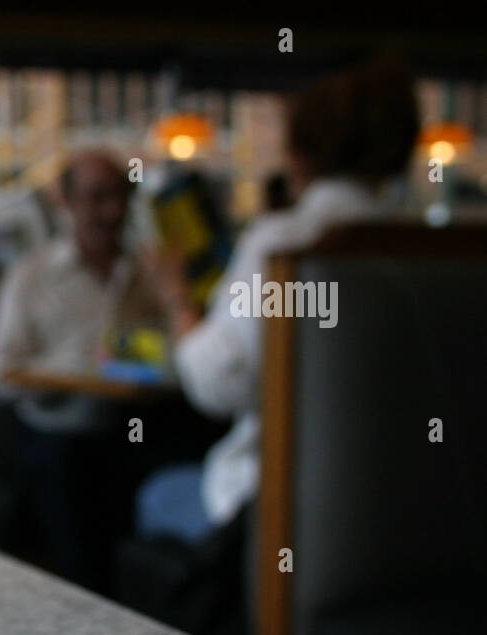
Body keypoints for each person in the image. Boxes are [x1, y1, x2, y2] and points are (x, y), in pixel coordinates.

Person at [139, 59, 419, 544]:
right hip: (405, 501)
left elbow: (219, 384)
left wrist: (178, 302)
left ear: (300, 155)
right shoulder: (425, 251)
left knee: (156, 493)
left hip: (286, 504)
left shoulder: (287, 246)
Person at [0, 148, 167, 589]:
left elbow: (168, 352)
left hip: (133, 426)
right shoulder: (31, 275)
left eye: (122, 195)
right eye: (98, 197)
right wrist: (67, 373)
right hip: (57, 433)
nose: (113, 210)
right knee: (72, 475)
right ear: (65, 201)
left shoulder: (147, 271)